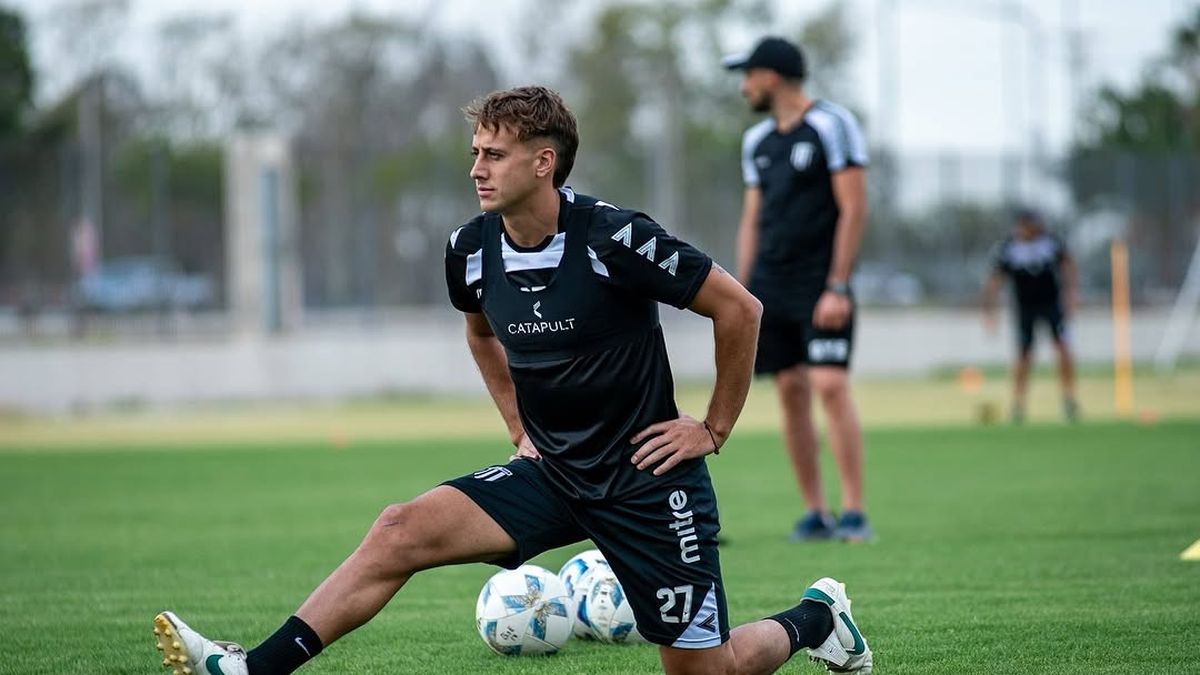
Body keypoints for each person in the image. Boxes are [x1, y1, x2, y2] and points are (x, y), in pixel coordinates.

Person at [151, 86, 873, 675]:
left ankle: (817, 618)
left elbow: (740, 309)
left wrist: (712, 427)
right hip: (552, 471)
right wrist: (518, 427)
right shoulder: (468, 250)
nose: (477, 168)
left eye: (493, 154)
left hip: (647, 481)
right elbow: (480, 333)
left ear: (544, 162)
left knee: (707, 670)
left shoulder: (615, 238)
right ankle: (252, 668)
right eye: (475, 152)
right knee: (399, 529)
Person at [723, 37, 872, 542]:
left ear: (771, 76)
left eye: (748, 76)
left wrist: (838, 285)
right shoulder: (757, 142)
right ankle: (816, 513)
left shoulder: (832, 124)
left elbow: (853, 207)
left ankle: (854, 513)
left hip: (820, 283)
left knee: (829, 384)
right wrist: (744, 294)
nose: (744, 87)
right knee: (790, 390)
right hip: (772, 285)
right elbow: (752, 219)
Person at [983, 208, 1080, 423]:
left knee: (1063, 350)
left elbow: (1068, 265)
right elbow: (994, 280)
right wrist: (989, 311)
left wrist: (1072, 294)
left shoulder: (1051, 242)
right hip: (1025, 308)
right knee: (1024, 356)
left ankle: (1069, 399)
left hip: (1052, 306)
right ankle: (1018, 404)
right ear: (1022, 226)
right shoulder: (1008, 248)